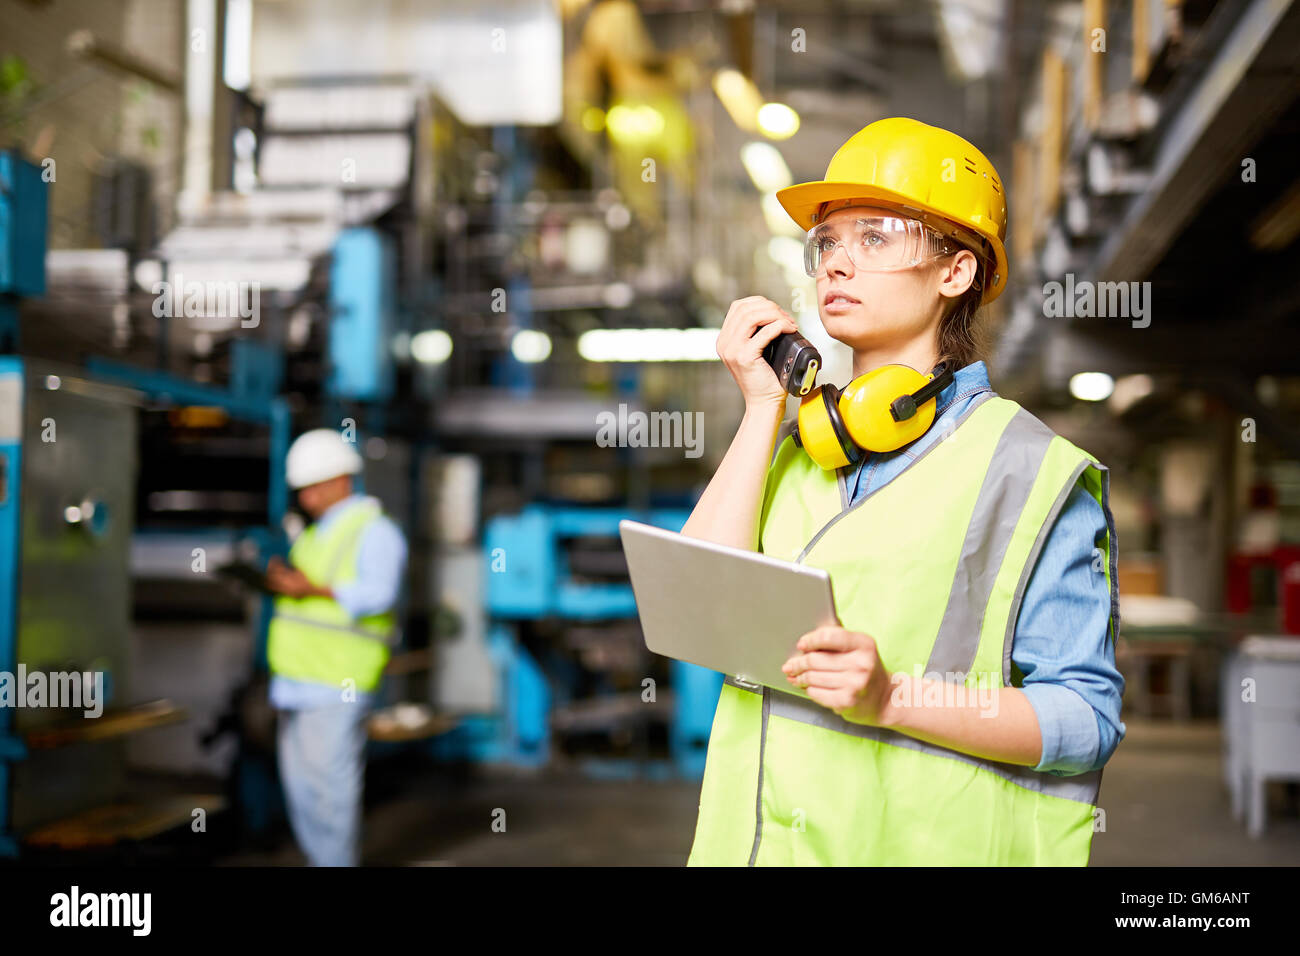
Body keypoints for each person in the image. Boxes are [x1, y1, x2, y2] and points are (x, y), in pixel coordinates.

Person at [682, 117, 1125, 866]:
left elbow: (1085, 718)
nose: (836, 266)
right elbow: (695, 607)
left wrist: (892, 698)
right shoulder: (798, 452)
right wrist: (763, 406)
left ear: (955, 272)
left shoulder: (1029, 472)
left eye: (875, 238)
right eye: (827, 243)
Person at [264, 428, 408, 866]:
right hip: (296, 681)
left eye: (313, 486)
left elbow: (379, 593)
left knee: (329, 794)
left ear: (341, 478)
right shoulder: (314, 534)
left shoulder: (375, 531)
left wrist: (313, 589)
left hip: (336, 682)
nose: (306, 498)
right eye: (302, 489)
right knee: (303, 791)